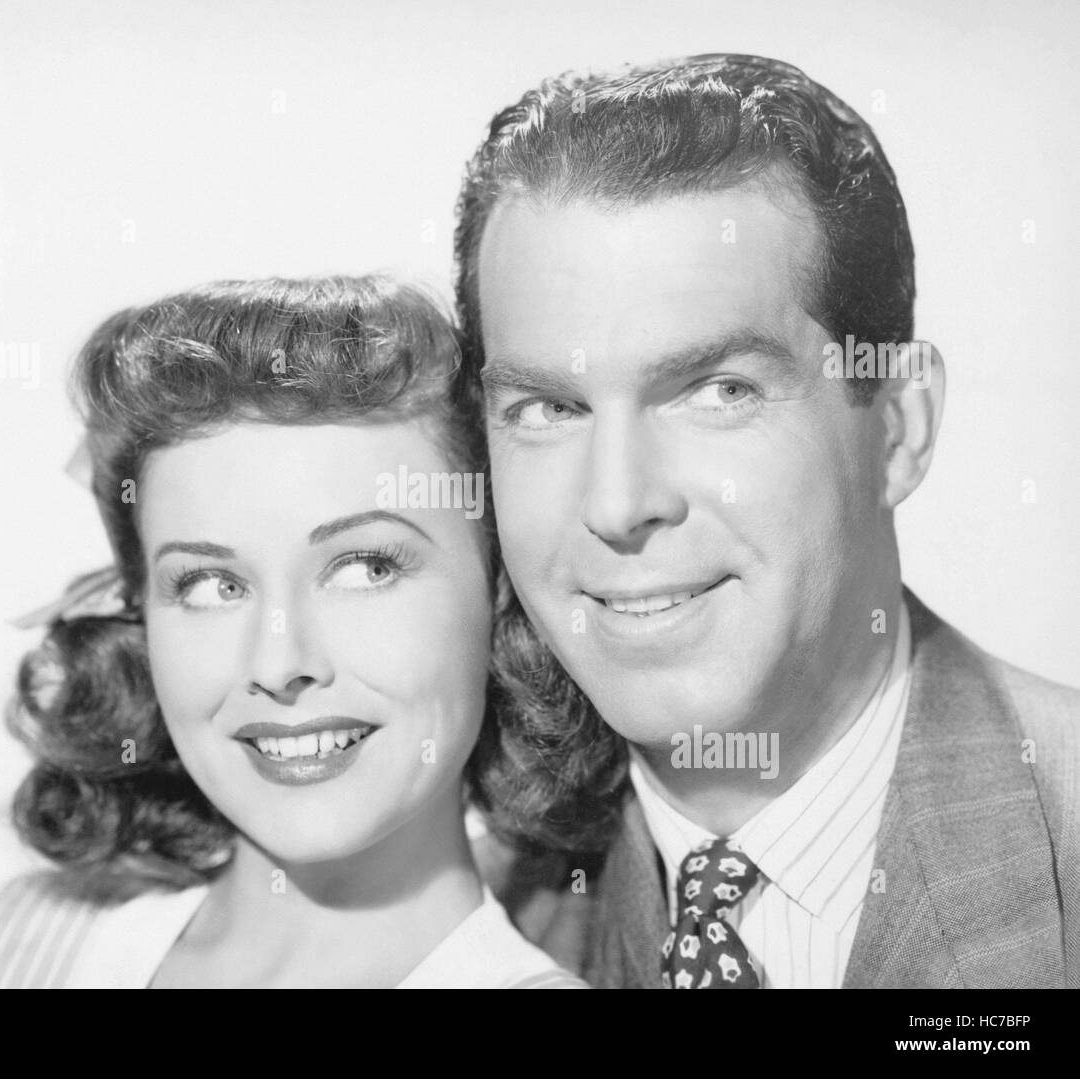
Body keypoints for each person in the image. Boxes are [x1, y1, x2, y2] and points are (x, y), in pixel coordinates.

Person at [455, 54, 1080, 988]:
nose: (619, 505)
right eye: (549, 409)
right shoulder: (478, 928)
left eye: (718, 390)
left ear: (899, 428)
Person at [0, 275, 585, 988]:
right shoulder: (36, 935)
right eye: (211, 585)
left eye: (364, 567)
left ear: (498, 586)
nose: (280, 661)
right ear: (140, 615)